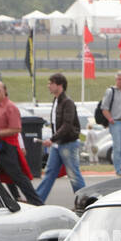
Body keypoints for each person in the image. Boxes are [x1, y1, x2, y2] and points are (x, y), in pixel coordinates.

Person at [0, 81, 42, 205]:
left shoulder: (10, 107)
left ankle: (36, 203)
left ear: (5, 91)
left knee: (17, 177)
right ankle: (5, 201)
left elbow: (16, 129)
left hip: (6, 147)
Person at [35, 72, 84, 203]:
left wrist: (52, 139)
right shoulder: (56, 101)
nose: (48, 86)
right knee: (49, 173)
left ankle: (85, 201)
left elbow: (67, 125)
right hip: (58, 144)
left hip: (68, 144)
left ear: (60, 85)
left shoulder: (68, 102)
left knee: (73, 175)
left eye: (51, 83)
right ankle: (37, 200)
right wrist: (54, 140)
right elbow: (56, 124)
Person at [100, 71, 121, 176]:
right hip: (116, 122)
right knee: (117, 147)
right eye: (119, 79)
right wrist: (110, 119)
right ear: (116, 80)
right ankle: (118, 169)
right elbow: (104, 108)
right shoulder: (110, 91)